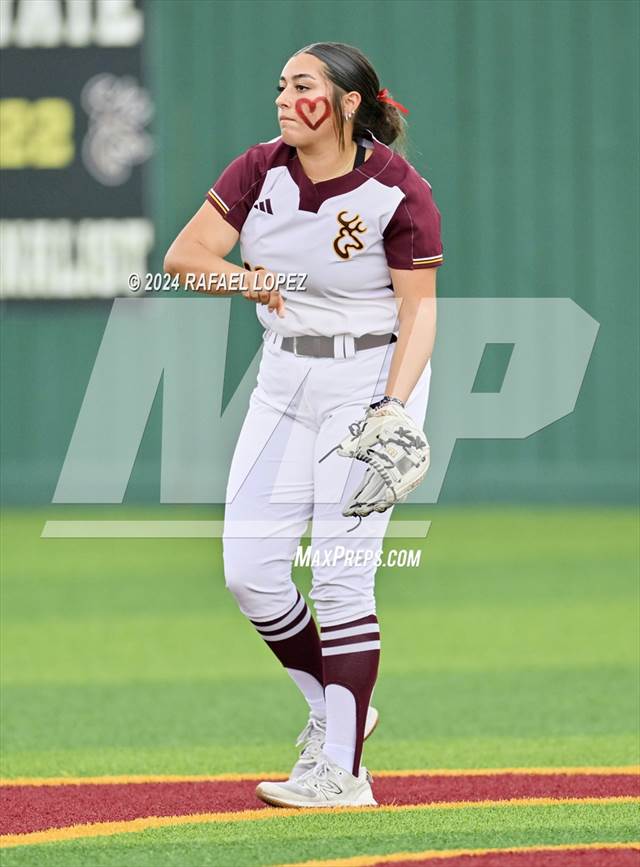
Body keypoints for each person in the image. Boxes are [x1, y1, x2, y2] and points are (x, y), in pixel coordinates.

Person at [164, 41, 443, 809]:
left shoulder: (395, 188)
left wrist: (392, 407)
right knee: (249, 571)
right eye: (281, 85)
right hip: (285, 377)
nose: (285, 99)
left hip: (368, 379)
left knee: (341, 576)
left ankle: (343, 772)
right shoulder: (259, 169)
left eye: (304, 87)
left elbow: (420, 312)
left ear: (349, 103)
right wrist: (244, 276)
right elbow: (185, 256)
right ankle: (336, 710)